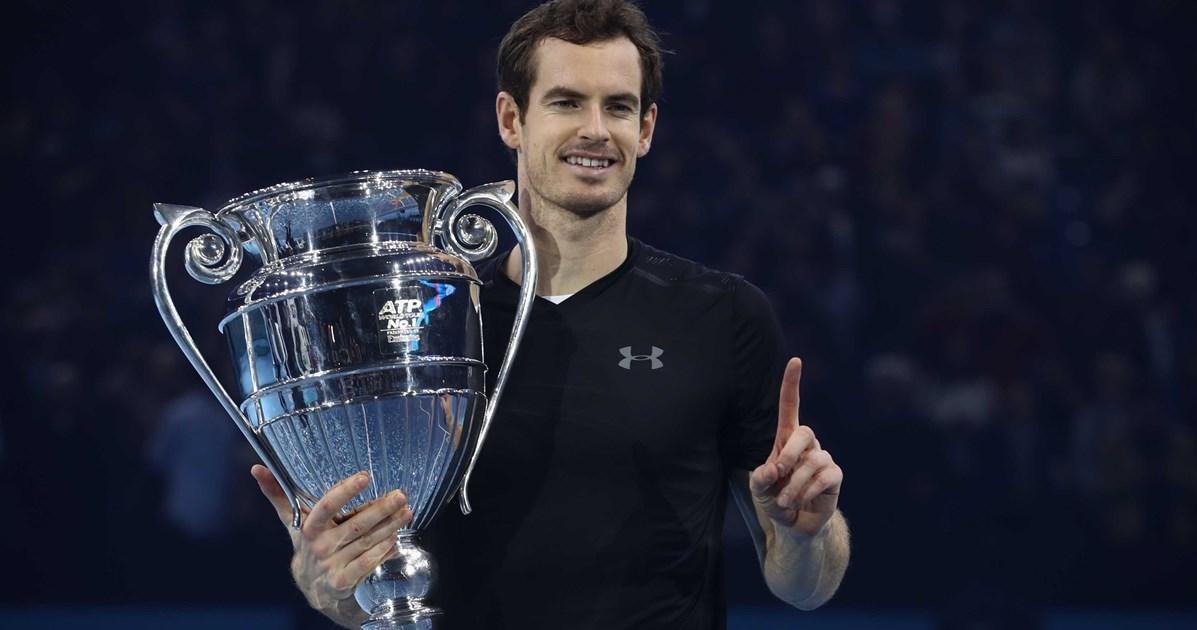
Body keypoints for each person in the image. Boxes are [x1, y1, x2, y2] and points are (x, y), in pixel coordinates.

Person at [251, 1, 850, 627]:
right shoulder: (424, 324)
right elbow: (369, 589)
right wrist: (327, 583)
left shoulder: (724, 316)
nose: (596, 129)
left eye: (618, 106)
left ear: (646, 129)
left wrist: (810, 535)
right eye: (566, 102)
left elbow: (803, 587)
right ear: (512, 119)